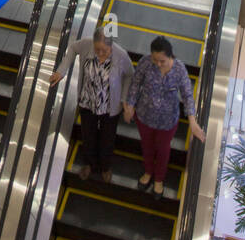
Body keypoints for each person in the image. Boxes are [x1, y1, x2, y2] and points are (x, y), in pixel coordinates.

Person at [124, 35, 205, 197]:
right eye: (156, 60)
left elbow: (188, 95)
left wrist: (193, 122)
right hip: (145, 116)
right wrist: (130, 105)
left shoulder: (179, 70)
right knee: (147, 146)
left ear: (170, 56)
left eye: (162, 61)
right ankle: (148, 172)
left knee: (162, 150)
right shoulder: (146, 63)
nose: (158, 64)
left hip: (167, 121)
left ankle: (159, 179)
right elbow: (135, 84)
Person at [50, 28, 133, 183]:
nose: (100, 54)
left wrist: (124, 99)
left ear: (111, 46)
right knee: (88, 136)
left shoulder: (121, 55)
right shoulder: (86, 45)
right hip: (87, 102)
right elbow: (73, 48)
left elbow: (130, 75)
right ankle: (90, 164)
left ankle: (105, 167)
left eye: (105, 51)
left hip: (110, 107)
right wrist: (62, 71)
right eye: (97, 50)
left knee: (107, 139)